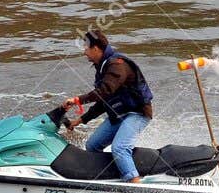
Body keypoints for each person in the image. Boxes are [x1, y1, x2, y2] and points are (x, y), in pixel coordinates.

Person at [56, 30, 155, 183]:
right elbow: (104, 101)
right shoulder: (101, 67)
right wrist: (81, 120)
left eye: (86, 48)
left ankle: (136, 183)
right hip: (119, 115)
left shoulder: (117, 65)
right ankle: (109, 176)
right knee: (92, 146)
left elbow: (104, 91)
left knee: (120, 148)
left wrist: (77, 100)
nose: (84, 52)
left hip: (137, 113)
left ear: (96, 49)